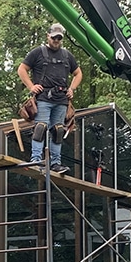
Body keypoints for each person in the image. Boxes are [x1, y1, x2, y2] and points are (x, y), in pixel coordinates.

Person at [17, 22, 82, 173]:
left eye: (59, 38)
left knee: (58, 131)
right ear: (48, 36)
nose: (56, 40)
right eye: (54, 37)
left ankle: (55, 163)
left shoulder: (67, 55)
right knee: (40, 127)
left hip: (61, 99)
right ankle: (36, 160)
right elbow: (22, 69)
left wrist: (72, 88)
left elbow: (78, 73)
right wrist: (31, 86)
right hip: (43, 98)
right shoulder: (38, 52)